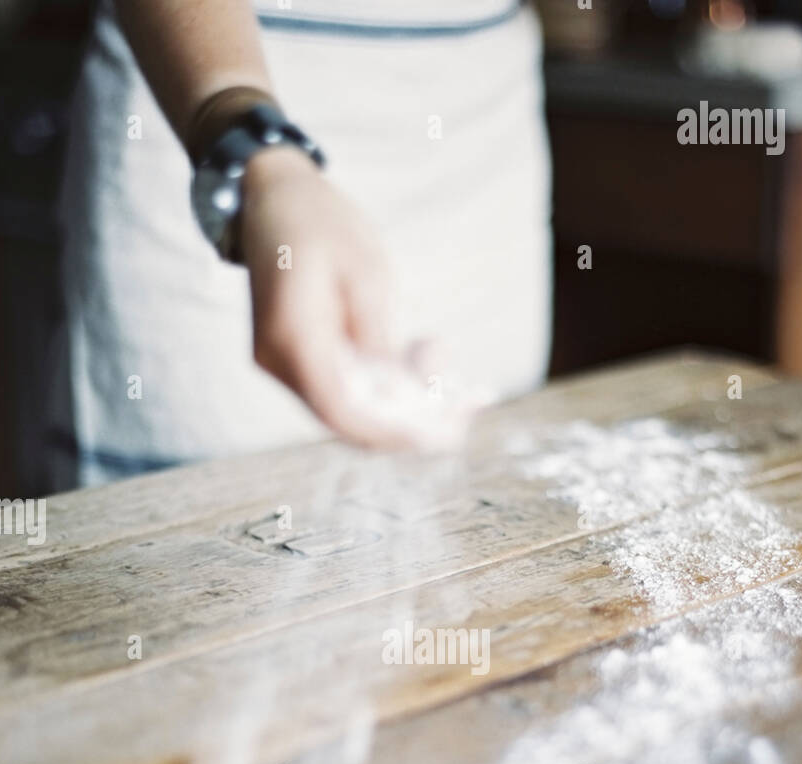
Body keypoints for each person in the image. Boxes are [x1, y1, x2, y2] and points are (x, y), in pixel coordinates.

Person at [58, 0, 552, 484]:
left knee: (471, 496)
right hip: (209, 115)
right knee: (202, 521)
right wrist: (258, 154)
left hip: (478, 149)